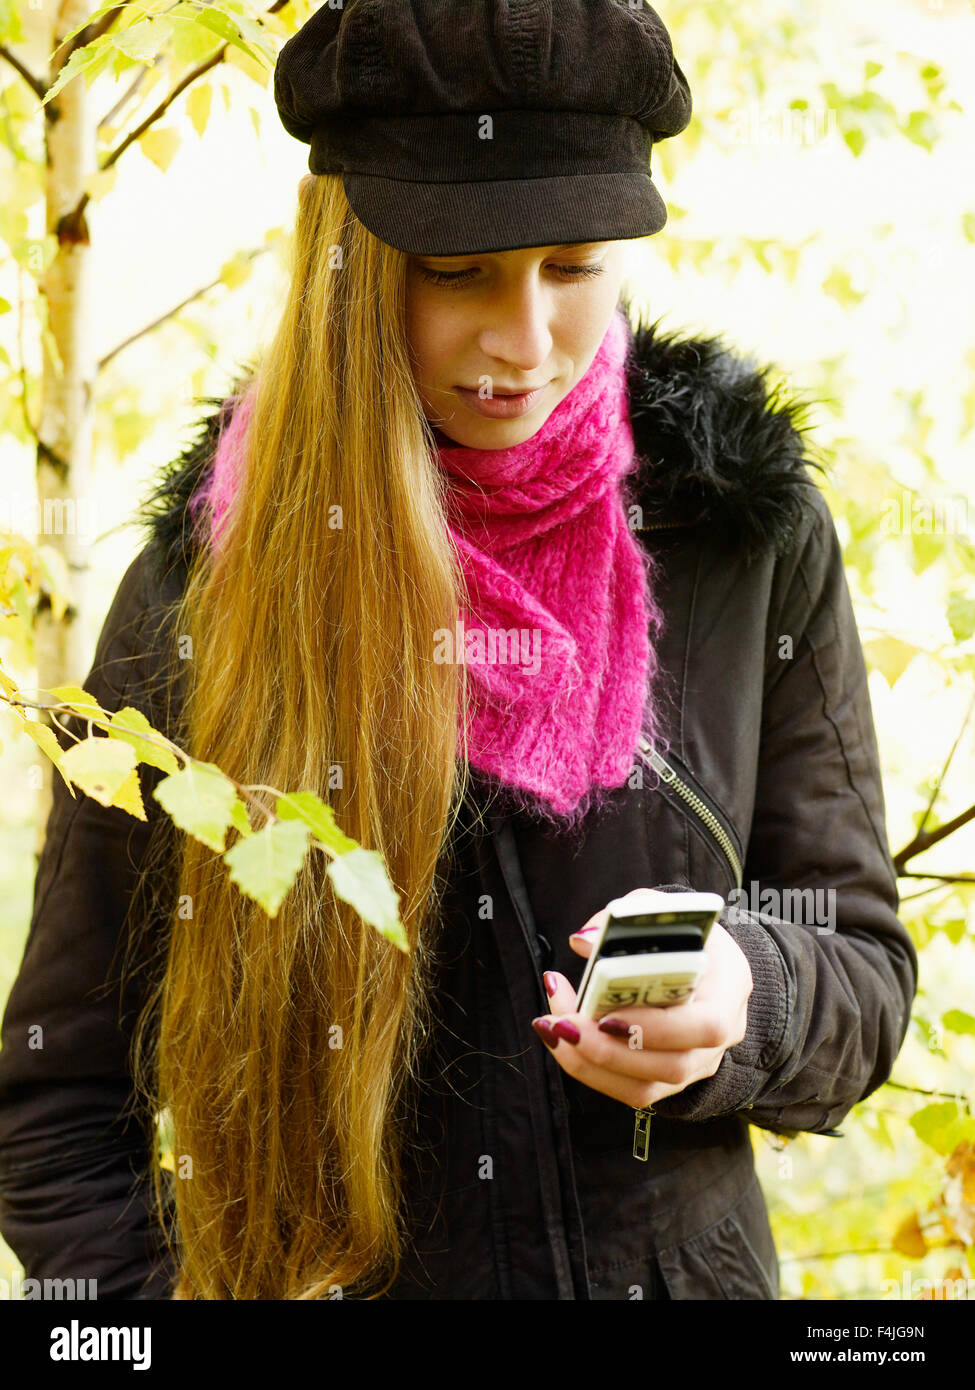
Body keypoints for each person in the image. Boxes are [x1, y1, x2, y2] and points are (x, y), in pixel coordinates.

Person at [0, 0, 916, 1301]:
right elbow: (60, 1090)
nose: (523, 340)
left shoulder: (742, 536)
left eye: (573, 263)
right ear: (353, 259)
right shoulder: (211, 585)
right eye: (457, 269)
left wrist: (749, 994)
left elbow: (863, 968)